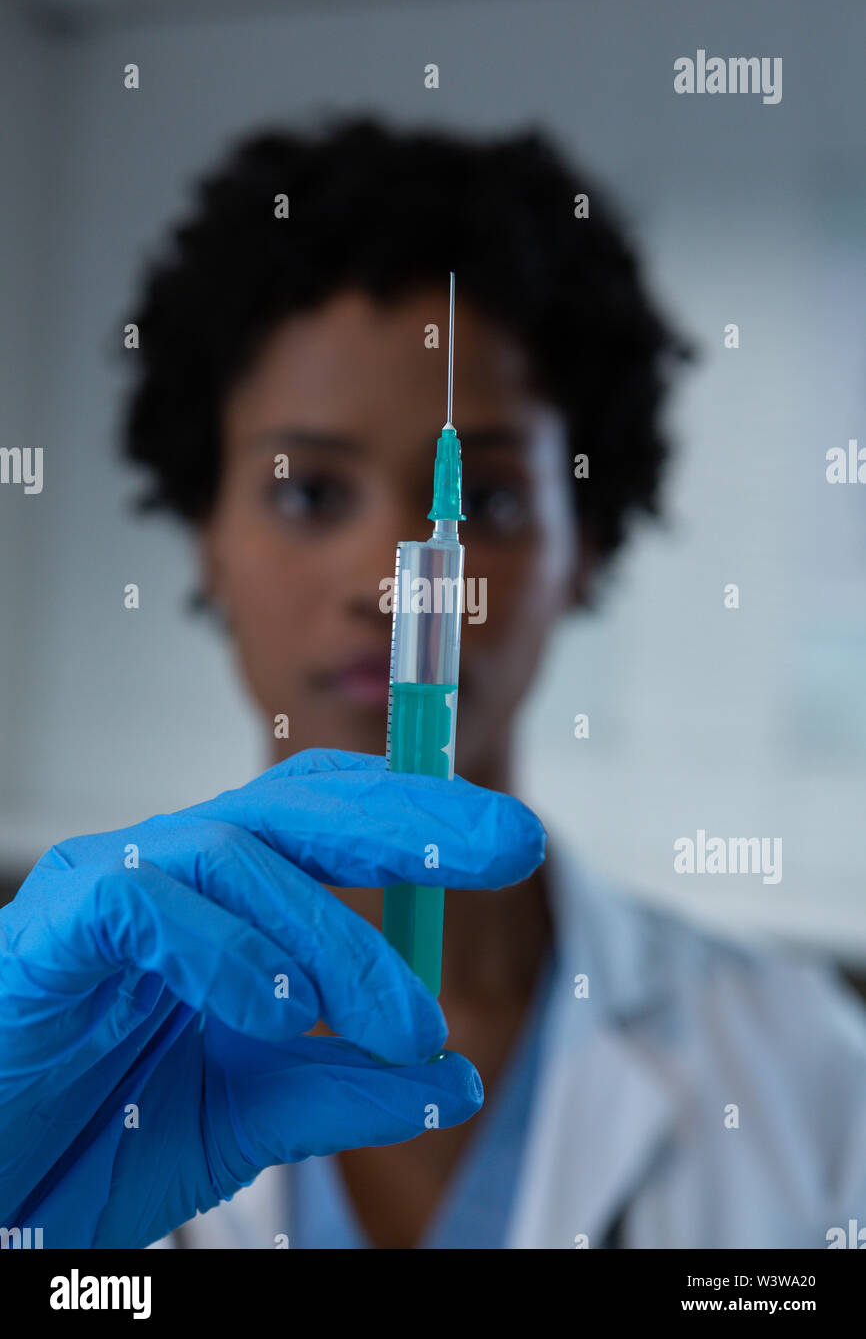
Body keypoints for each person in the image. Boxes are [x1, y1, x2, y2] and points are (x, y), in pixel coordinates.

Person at [2, 118, 864, 1251]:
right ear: (204, 531)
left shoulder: (803, 1065)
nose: (391, 582)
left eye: (486, 504)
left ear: (587, 546)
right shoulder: (61, 1036)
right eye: (308, 491)